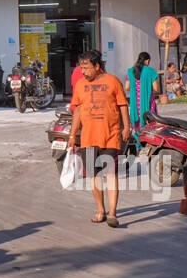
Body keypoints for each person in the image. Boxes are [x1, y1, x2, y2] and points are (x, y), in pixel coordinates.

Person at [69, 51, 130, 228]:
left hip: (110, 136)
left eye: (87, 68)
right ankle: (100, 210)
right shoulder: (80, 85)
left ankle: (112, 213)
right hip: (88, 137)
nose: (83, 72)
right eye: (81, 68)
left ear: (97, 66)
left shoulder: (112, 81)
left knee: (110, 174)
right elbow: (78, 111)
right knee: (93, 176)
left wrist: (126, 126)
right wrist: (73, 135)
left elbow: (122, 105)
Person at [124, 51, 162, 139]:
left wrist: (137, 88)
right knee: (149, 122)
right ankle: (148, 141)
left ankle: (138, 142)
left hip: (135, 104)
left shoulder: (131, 71)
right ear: (147, 61)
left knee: (137, 125)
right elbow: (156, 88)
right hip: (147, 102)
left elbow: (127, 87)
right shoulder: (150, 71)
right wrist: (146, 86)